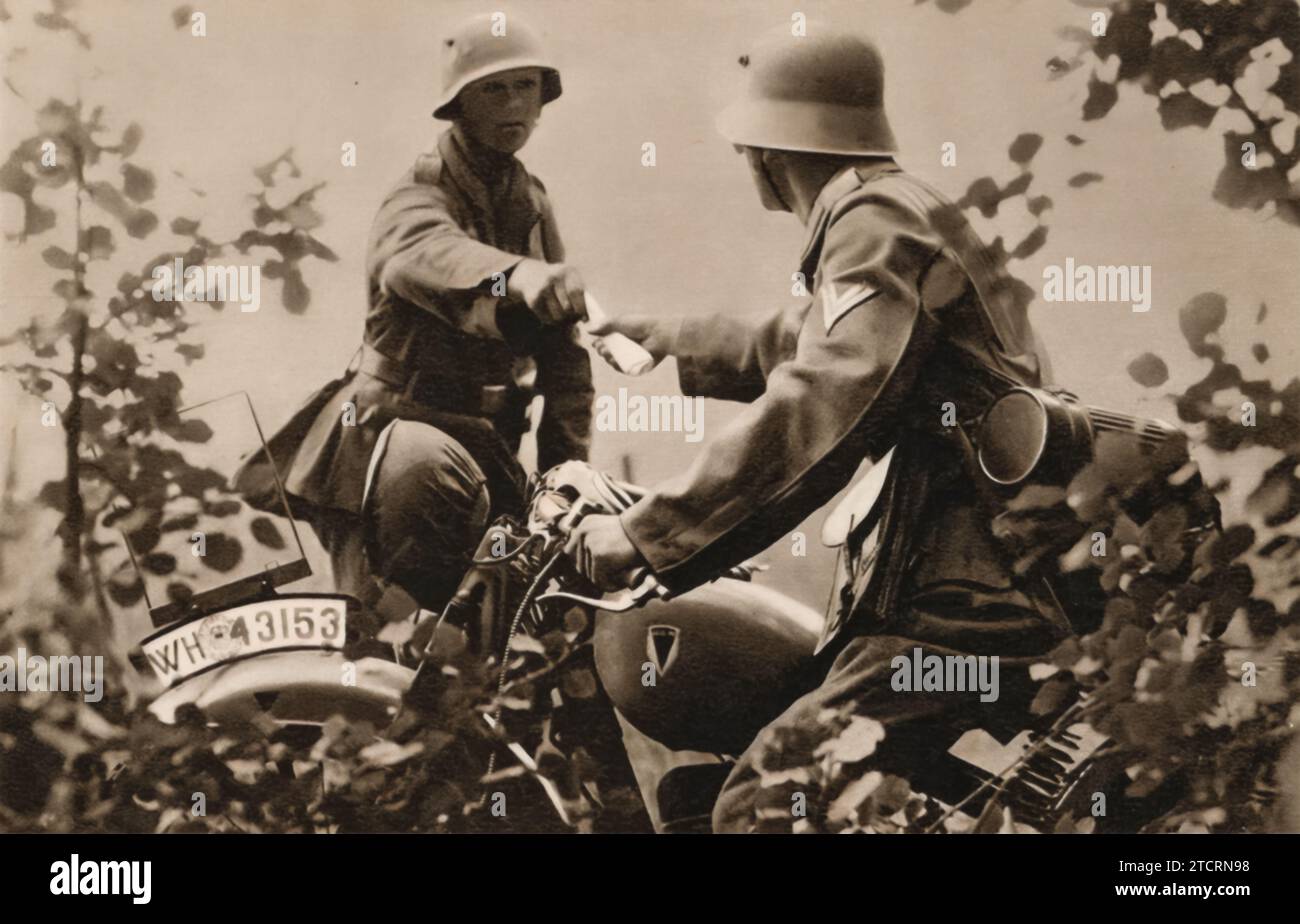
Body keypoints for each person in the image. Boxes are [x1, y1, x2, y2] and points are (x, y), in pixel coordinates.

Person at [568, 24, 1073, 832]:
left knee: (764, 806)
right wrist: (667, 337)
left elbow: (828, 396)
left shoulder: (872, 220)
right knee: (709, 796)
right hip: (983, 597)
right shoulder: (909, 213)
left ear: (769, 150)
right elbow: (812, 340)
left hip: (960, 622)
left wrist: (648, 532)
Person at [235, 13, 593, 625]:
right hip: (387, 443)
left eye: (527, 86)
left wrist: (563, 477)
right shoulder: (417, 194)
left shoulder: (528, 199)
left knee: (493, 639)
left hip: (486, 445)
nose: (514, 104)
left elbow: (565, 353)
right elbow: (419, 254)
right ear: (458, 106)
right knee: (376, 636)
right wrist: (519, 275)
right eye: (493, 89)